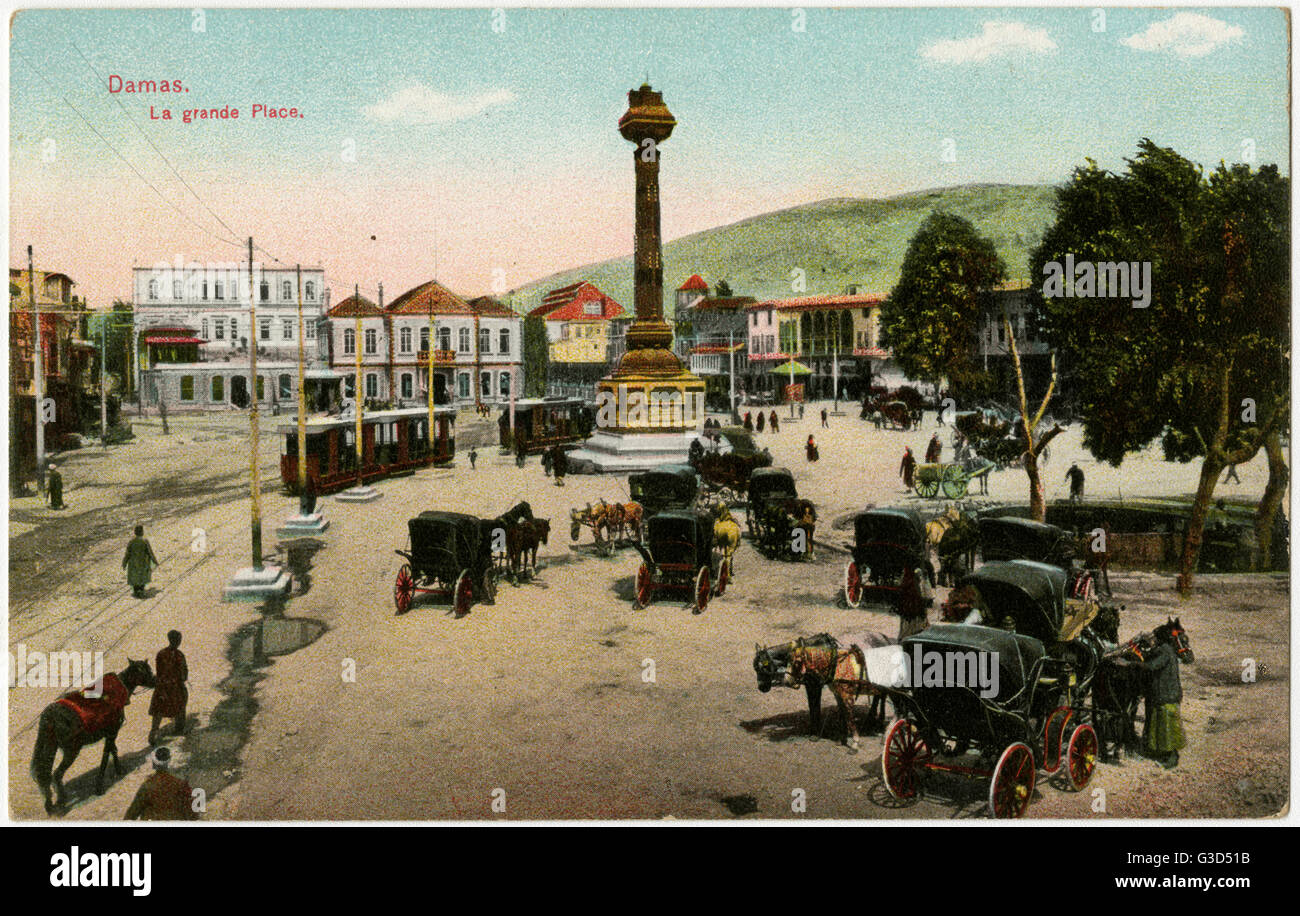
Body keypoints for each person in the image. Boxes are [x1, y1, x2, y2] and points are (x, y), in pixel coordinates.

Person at [1141, 639, 1185, 769]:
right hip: (1165, 695)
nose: (1152, 640)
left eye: (1154, 638)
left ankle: (1172, 758)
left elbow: (1151, 666)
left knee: (1168, 728)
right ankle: (1161, 753)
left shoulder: (1165, 651)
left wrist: (1130, 663)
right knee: (1161, 726)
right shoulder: (1165, 649)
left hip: (1167, 696)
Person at [124, 746, 198, 821]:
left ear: (154, 764)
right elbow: (192, 814)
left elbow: (131, 815)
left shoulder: (148, 785)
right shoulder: (181, 784)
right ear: (169, 762)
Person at [148, 630, 188, 744]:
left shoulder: (161, 653)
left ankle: (153, 733)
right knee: (182, 701)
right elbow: (183, 674)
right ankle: (179, 729)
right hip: (175, 688)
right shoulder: (179, 655)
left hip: (162, 687)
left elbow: (159, 671)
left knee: (158, 711)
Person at [123, 525, 159, 598]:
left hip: (133, 563)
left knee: (135, 577)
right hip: (143, 562)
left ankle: (136, 591)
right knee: (142, 577)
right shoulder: (144, 541)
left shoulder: (131, 541)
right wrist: (155, 561)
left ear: (135, 532)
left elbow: (127, 553)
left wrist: (124, 563)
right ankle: (141, 590)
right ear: (142, 532)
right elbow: (150, 552)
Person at [897, 566, 928, 641]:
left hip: (907, 608)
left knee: (906, 626)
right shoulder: (913, 583)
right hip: (912, 608)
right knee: (911, 626)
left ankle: (903, 638)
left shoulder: (907, 581)